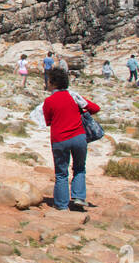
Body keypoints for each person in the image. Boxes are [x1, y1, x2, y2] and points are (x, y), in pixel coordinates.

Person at [42, 67, 98, 211]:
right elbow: (95, 108)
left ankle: (61, 205)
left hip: (60, 139)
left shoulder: (49, 101)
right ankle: (79, 197)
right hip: (79, 137)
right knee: (79, 168)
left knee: (61, 173)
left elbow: (48, 121)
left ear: (53, 83)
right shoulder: (74, 96)